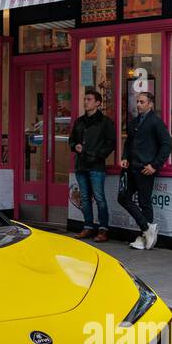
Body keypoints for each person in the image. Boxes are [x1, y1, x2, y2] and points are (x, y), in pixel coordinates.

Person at [119, 90, 172, 250]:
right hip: (132, 168)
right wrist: (125, 157)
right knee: (123, 197)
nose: (138, 105)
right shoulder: (133, 123)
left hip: (145, 169)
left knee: (144, 202)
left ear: (150, 104)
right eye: (137, 102)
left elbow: (166, 145)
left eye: (142, 102)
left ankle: (144, 237)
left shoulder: (155, 122)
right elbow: (128, 143)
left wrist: (155, 165)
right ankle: (147, 229)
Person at [68, 89, 116, 242]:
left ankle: (103, 229)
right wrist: (75, 146)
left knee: (99, 197)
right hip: (81, 165)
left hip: (96, 166)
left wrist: (96, 155)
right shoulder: (79, 121)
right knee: (84, 197)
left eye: (89, 99)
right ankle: (88, 226)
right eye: (84, 99)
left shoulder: (105, 122)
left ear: (97, 103)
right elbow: (72, 140)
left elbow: (111, 144)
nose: (85, 102)